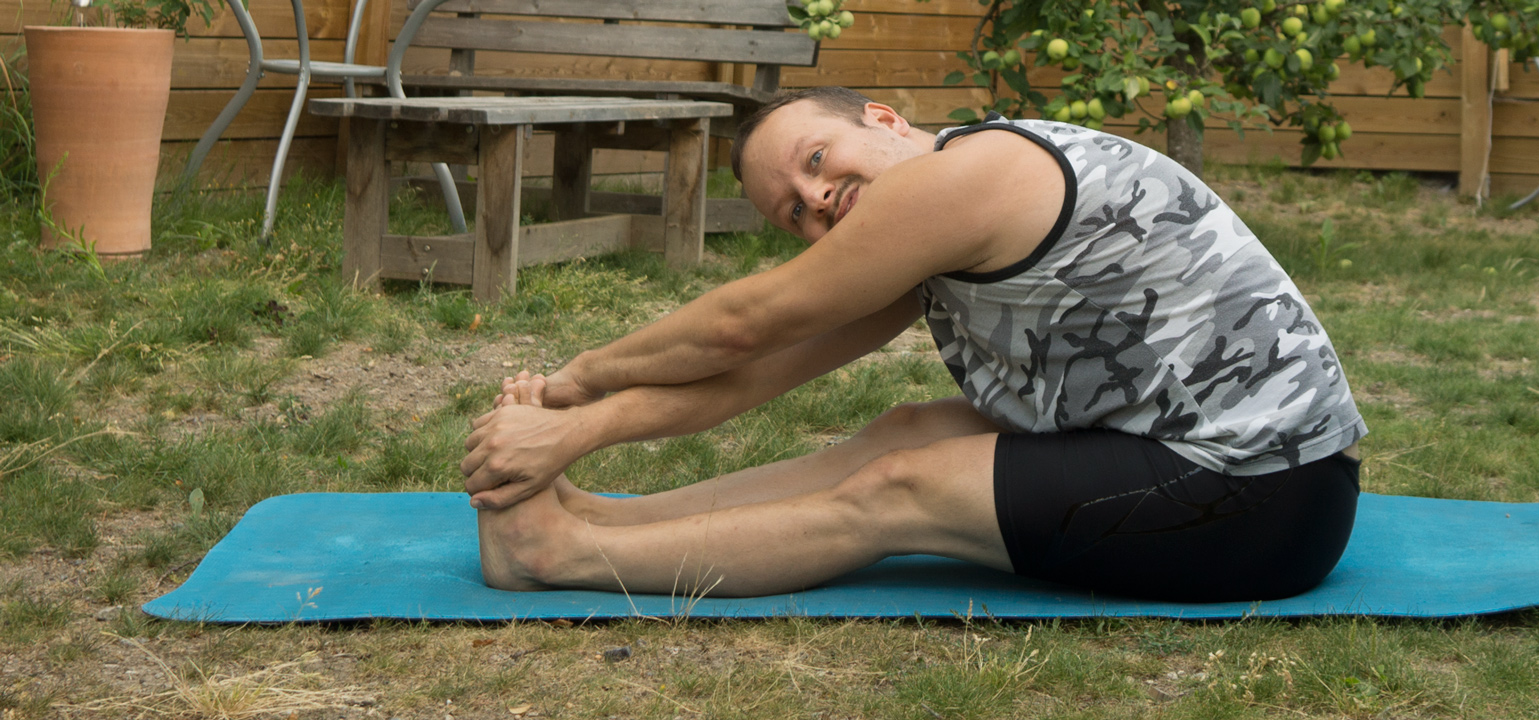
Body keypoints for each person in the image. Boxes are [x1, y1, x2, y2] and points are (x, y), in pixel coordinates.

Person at [460, 86, 1366, 602]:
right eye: (792, 212)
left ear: (885, 120)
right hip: (1195, 458)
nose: (815, 200)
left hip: (1264, 497)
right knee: (908, 433)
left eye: (815, 160)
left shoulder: (973, 175)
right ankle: (607, 522)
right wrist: (579, 431)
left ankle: (558, 556)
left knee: (901, 489)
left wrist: (574, 394)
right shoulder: (925, 232)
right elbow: (750, 374)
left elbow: (745, 321)